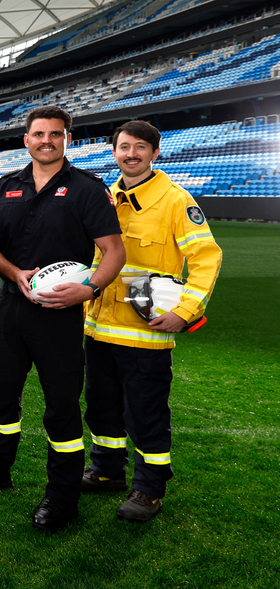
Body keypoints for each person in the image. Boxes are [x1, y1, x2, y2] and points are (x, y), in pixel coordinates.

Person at [0, 105, 126, 532]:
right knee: (0, 395)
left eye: (56, 134)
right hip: (9, 307)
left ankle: (62, 495)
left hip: (60, 314)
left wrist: (89, 288)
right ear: (26, 139)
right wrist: (14, 272)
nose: (47, 141)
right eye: (39, 134)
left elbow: (114, 252)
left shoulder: (87, 188)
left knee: (61, 407)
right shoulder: (5, 186)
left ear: (66, 139)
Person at [82, 120, 222, 522]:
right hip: (99, 327)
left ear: (155, 153)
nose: (131, 154)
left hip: (146, 333)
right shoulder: (103, 196)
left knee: (145, 414)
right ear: (114, 152)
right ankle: (107, 471)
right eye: (124, 147)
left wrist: (185, 311)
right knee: (102, 408)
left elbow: (206, 258)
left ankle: (148, 489)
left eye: (140, 147)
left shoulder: (176, 200)